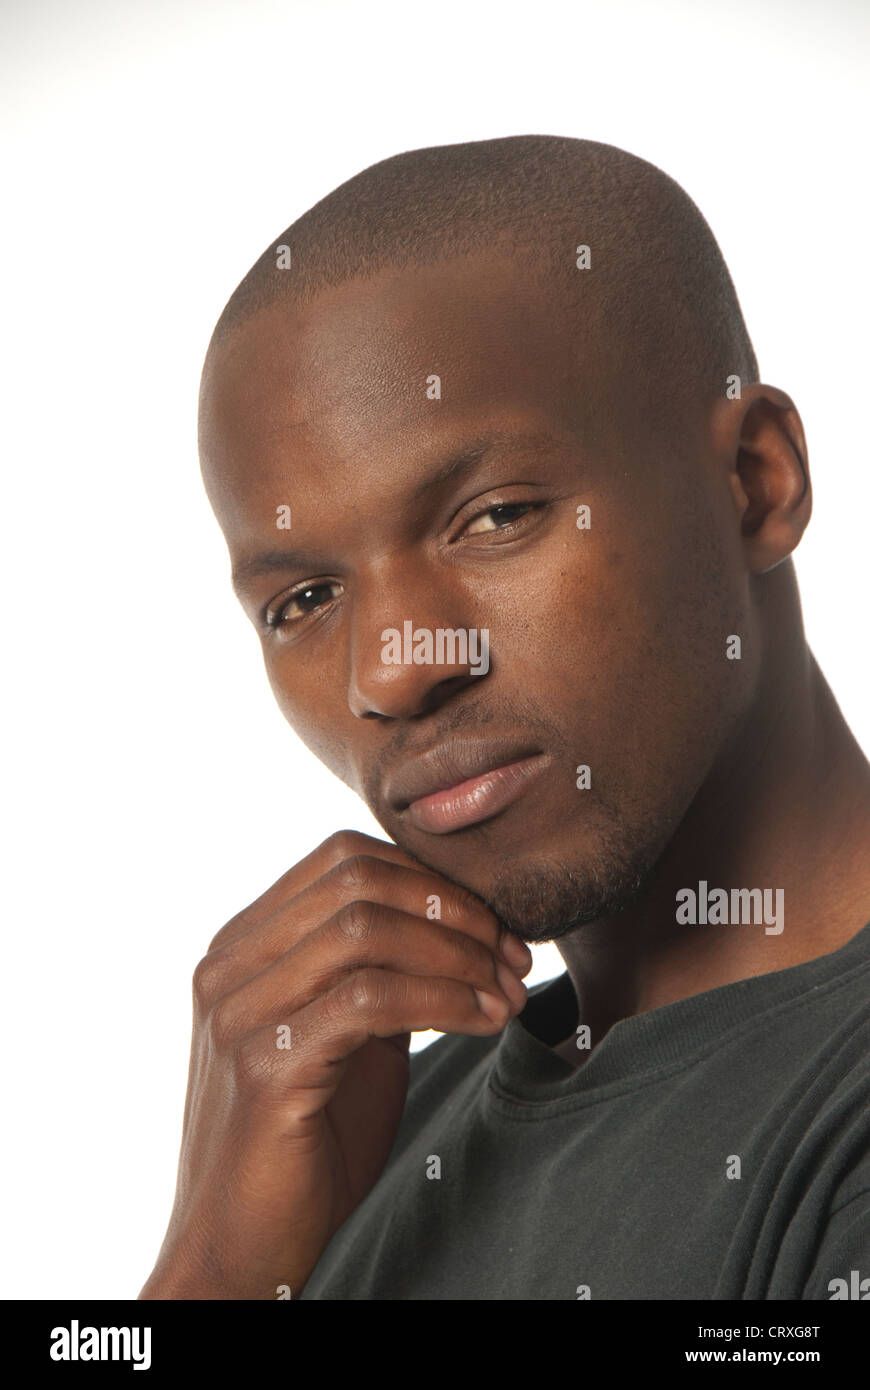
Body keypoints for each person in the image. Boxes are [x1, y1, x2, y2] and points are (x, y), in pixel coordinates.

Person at [139, 135, 870, 1300]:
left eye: (496, 517)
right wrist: (216, 1265)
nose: (394, 669)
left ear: (758, 482)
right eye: (305, 600)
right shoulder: (354, 1137)